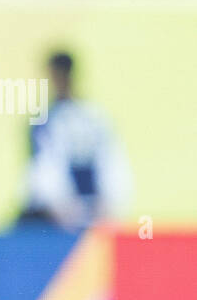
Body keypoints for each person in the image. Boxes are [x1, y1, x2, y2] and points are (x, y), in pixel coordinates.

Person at [17, 51, 131, 228]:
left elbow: (111, 162)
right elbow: (42, 170)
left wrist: (108, 204)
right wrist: (58, 205)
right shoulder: (44, 121)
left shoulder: (94, 118)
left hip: (95, 215)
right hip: (55, 217)